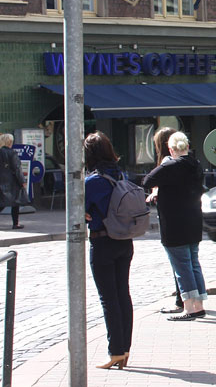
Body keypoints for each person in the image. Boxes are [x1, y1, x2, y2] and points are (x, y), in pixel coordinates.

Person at [143, 131, 207, 321]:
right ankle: (199, 304)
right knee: (193, 263)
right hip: (194, 221)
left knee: (182, 266)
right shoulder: (196, 164)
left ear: (170, 149)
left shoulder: (170, 165)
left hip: (174, 223)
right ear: (187, 146)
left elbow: (147, 181)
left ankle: (189, 308)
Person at [83, 131, 133, 370]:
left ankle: (114, 351)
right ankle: (125, 350)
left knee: (109, 299)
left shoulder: (92, 182)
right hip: (124, 241)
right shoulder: (120, 174)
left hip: (102, 241)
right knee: (123, 294)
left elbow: (77, 210)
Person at [151, 127, 183, 315]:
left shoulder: (166, 162)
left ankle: (181, 297)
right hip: (182, 215)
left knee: (177, 258)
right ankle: (183, 292)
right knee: (185, 259)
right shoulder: (180, 162)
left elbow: (151, 182)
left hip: (170, 216)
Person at [0, 134, 27, 229]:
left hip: (1, 181)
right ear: (10, 142)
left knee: (1, 202)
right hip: (12, 181)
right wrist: (23, 181)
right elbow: (17, 169)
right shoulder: (12, 153)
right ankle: (16, 223)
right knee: (15, 203)